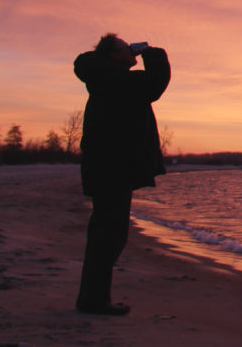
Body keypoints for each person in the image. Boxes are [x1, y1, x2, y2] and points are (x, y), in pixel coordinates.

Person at [73, 33, 170, 315]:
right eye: (125, 48)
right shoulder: (113, 80)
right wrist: (154, 54)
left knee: (107, 233)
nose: (131, 51)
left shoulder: (107, 77)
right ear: (114, 55)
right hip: (111, 169)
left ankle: (93, 298)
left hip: (110, 168)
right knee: (109, 235)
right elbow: (153, 85)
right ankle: (93, 300)